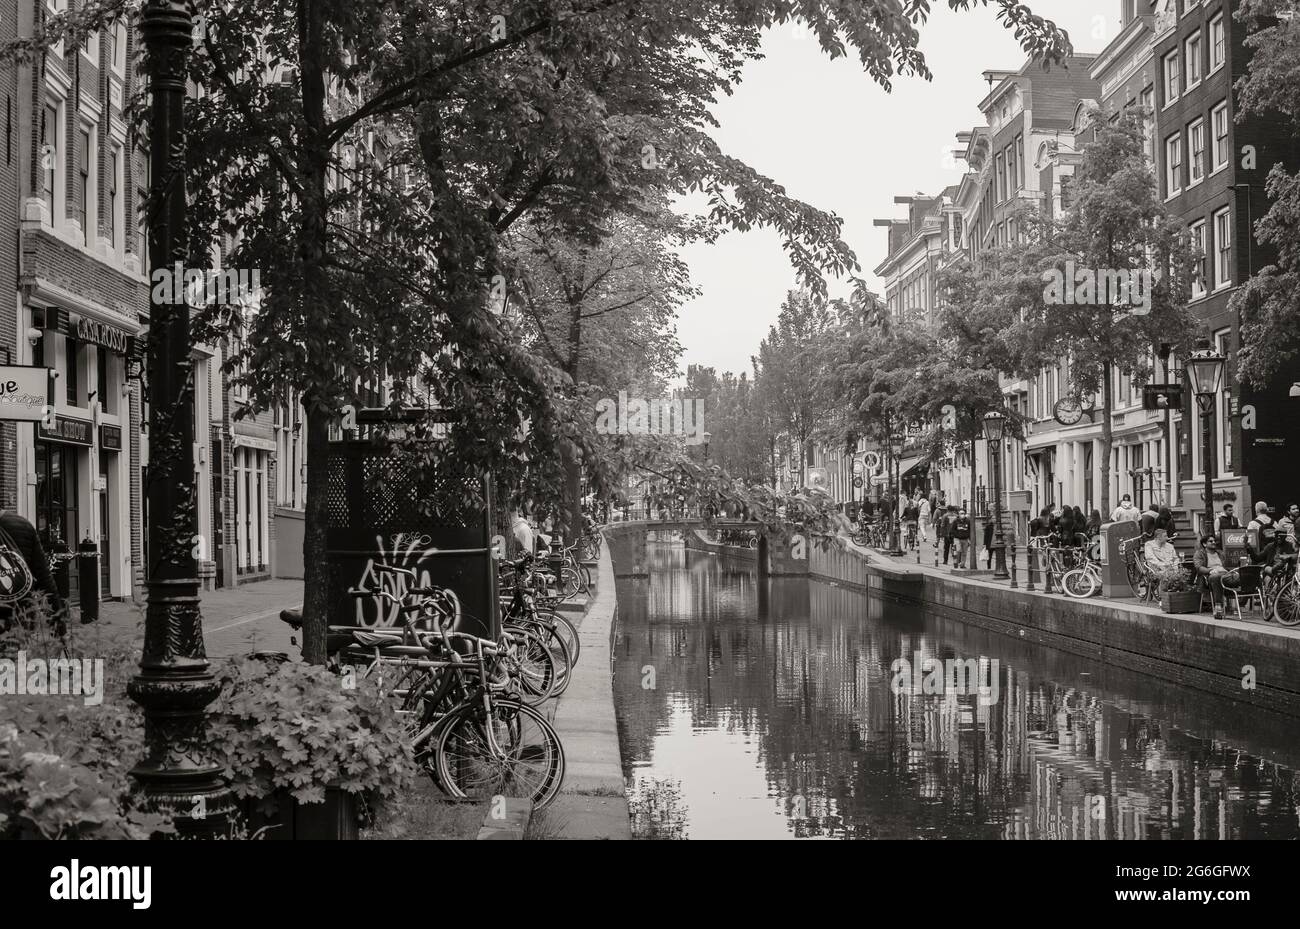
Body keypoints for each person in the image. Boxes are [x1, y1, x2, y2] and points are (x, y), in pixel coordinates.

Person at [0, 510, 66, 634]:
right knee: (20, 650)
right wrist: (57, 622)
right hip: (22, 614)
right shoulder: (23, 525)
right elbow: (44, 576)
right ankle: (21, 654)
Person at [1193, 534, 1232, 620]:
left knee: (1244, 575)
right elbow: (1199, 567)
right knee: (1216, 577)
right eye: (1211, 541)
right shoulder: (1199, 553)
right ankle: (1218, 607)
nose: (1214, 542)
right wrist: (1209, 570)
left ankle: (1241, 603)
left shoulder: (1220, 553)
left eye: (1214, 541)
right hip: (1210, 577)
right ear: (1204, 544)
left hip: (1225, 575)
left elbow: (1227, 567)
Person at [1246, 501, 1278, 565]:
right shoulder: (1274, 522)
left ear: (1256, 510)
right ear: (1266, 510)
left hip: (1260, 556)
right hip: (1273, 554)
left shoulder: (1253, 523)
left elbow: (1250, 542)